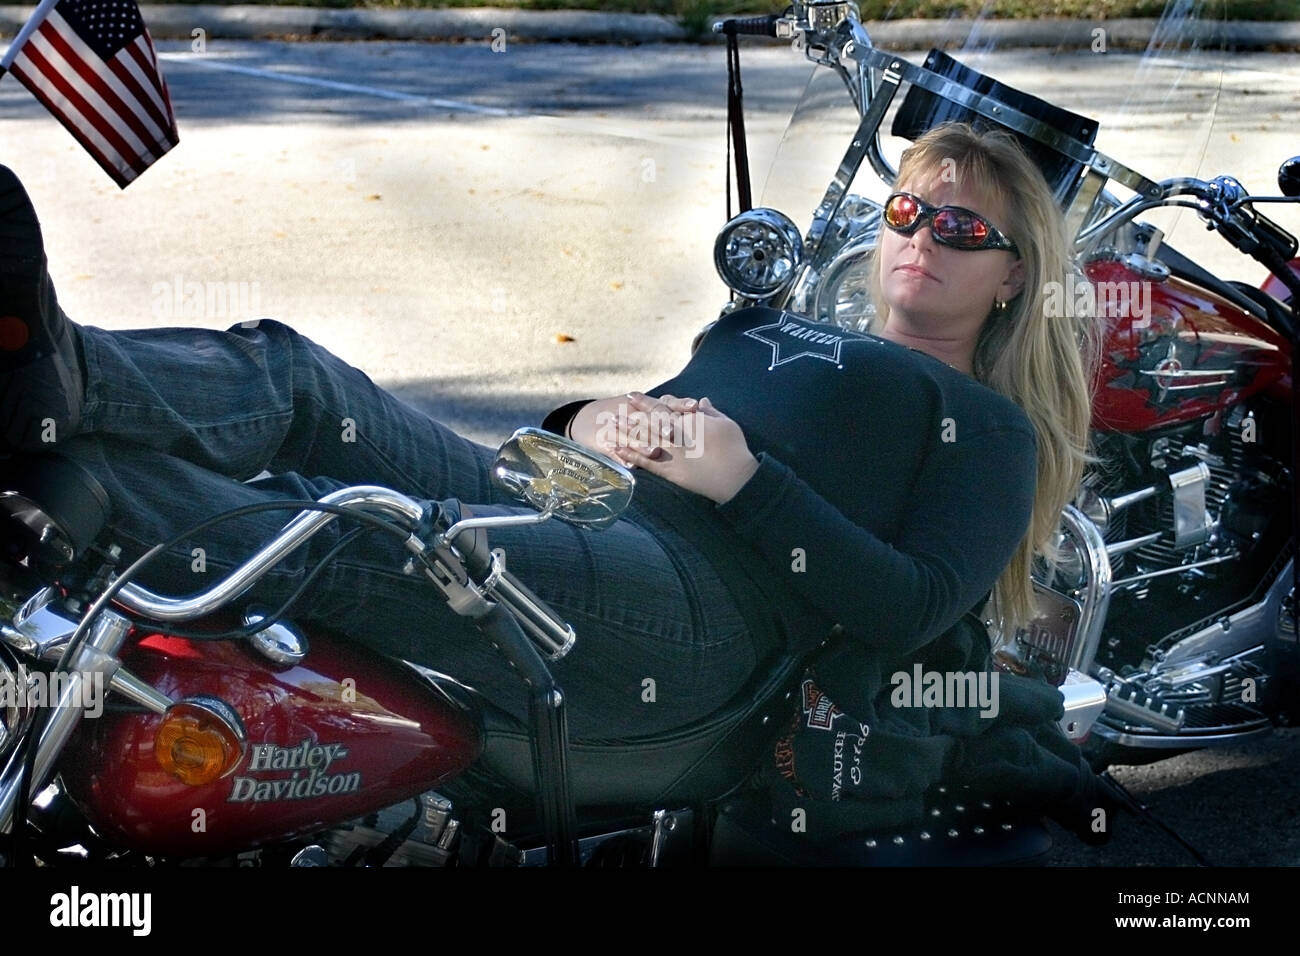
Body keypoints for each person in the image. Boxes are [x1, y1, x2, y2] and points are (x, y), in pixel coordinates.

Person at [0, 121, 1106, 838]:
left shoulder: (988, 424)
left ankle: (55, 499)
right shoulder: (794, 333)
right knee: (300, 379)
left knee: (350, 528)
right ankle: (48, 384)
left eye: (962, 228)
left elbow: (911, 606)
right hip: (581, 499)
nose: (921, 238)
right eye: (907, 212)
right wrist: (593, 418)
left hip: (707, 614)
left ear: (1015, 276)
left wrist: (743, 480)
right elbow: (601, 429)